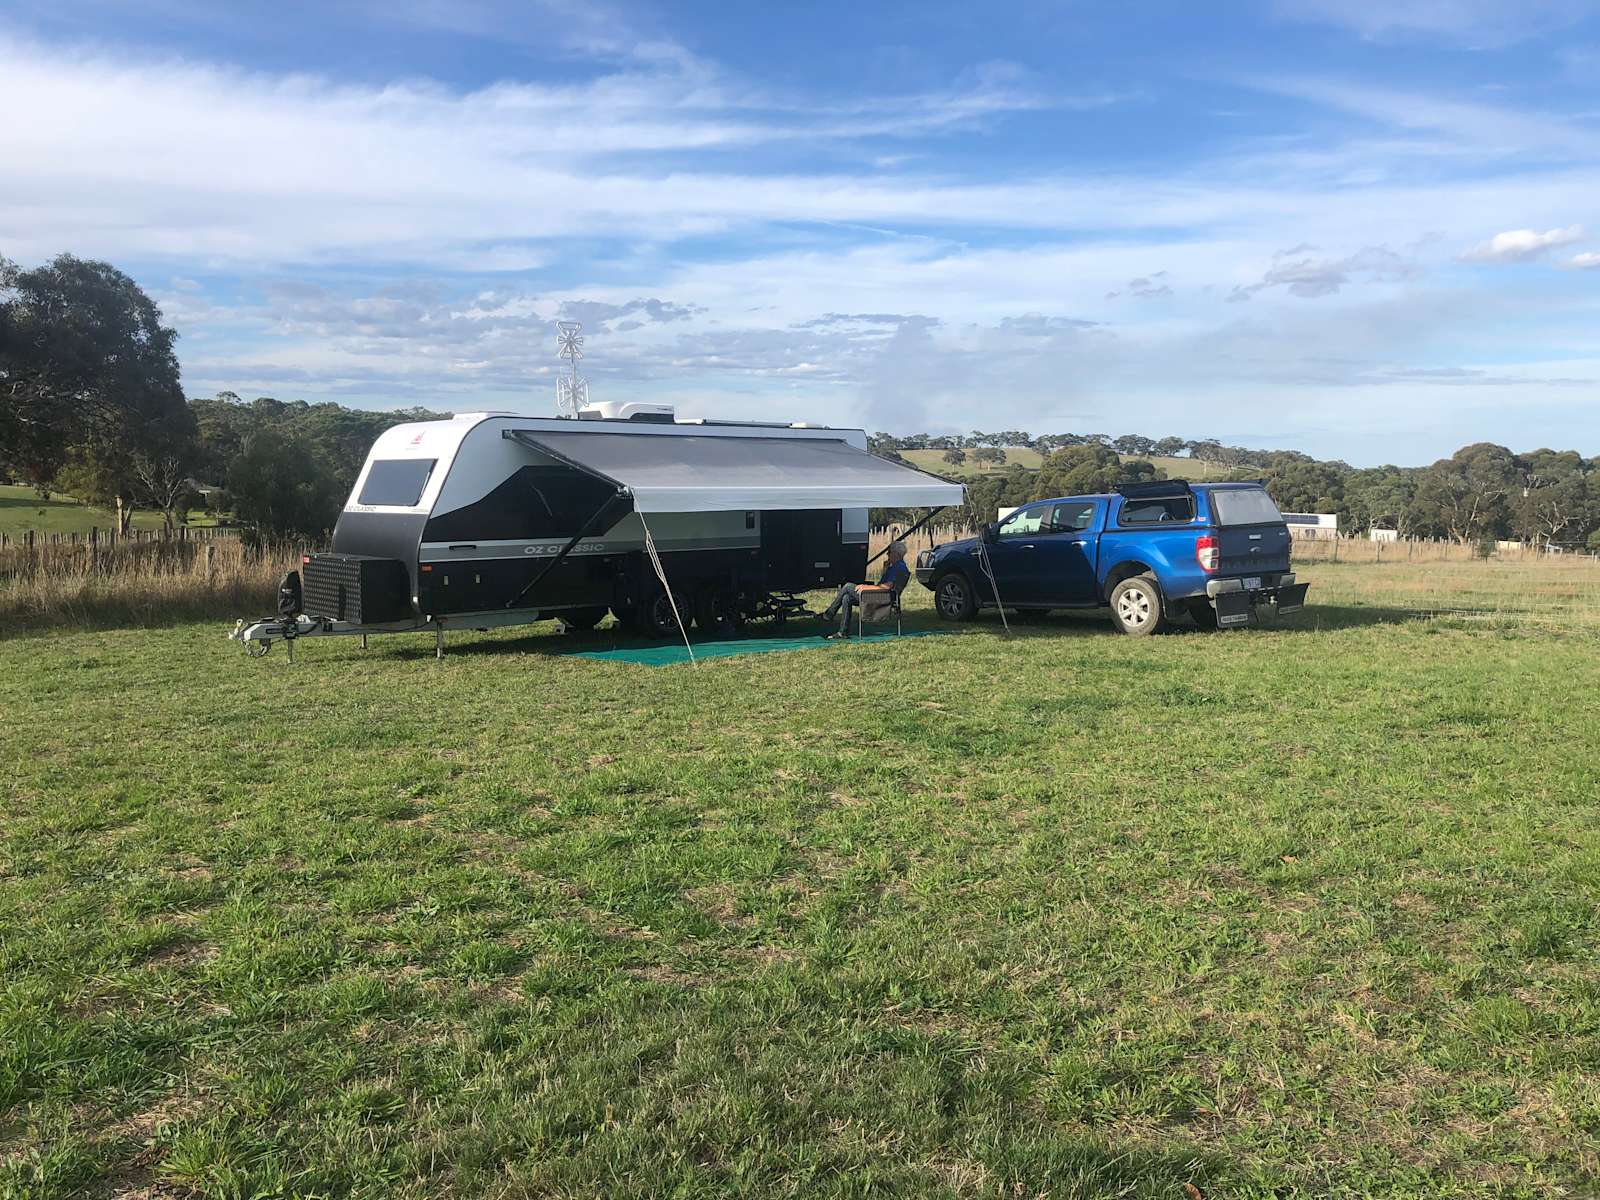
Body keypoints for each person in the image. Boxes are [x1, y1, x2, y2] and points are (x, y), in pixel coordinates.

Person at [820, 540, 910, 639]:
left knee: (848, 586)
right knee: (846, 598)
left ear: (896, 554)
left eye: (889, 552)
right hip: (885, 595)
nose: (887, 554)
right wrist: (885, 569)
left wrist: (866, 587)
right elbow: (886, 584)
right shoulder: (898, 566)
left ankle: (829, 615)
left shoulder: (898, 567)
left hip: (884, 597)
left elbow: (887, 586)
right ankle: (843, 632)